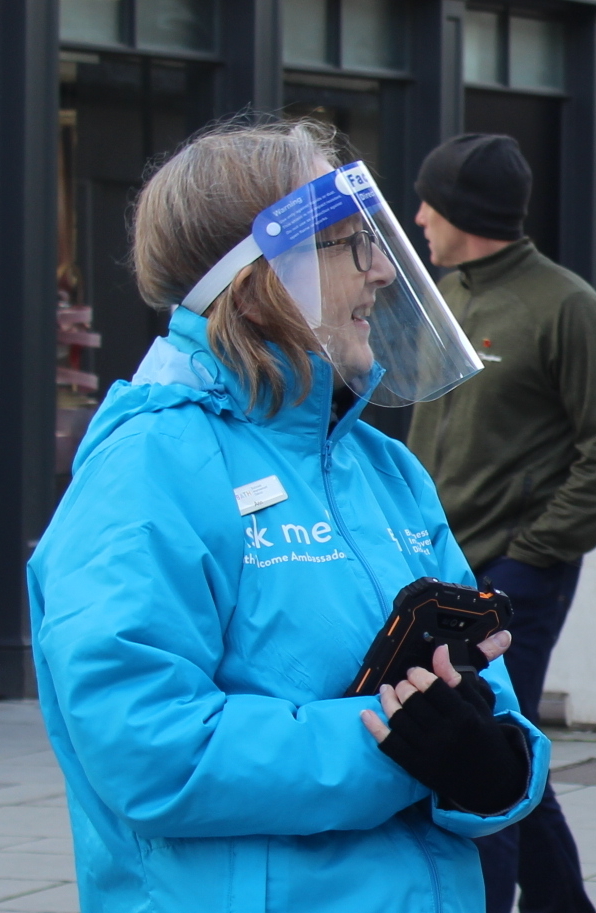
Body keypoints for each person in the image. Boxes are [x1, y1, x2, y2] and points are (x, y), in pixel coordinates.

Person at [28, 120, 551, 913]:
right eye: (349, 244)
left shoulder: (384, 469)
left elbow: (490, 703)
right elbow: (146, 747)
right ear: (259, 271)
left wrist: (498, 763)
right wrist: (395, 746)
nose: (380, 270)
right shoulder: (150, 466)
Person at [408, 134, 596, 913]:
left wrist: (531, 556)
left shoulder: (566, 304)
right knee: (509, 751)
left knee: (486, 754)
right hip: (440, 571)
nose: (416, 218)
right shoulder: (446, 295)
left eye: (428, 203)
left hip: (512, 577)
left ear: (463, 213)